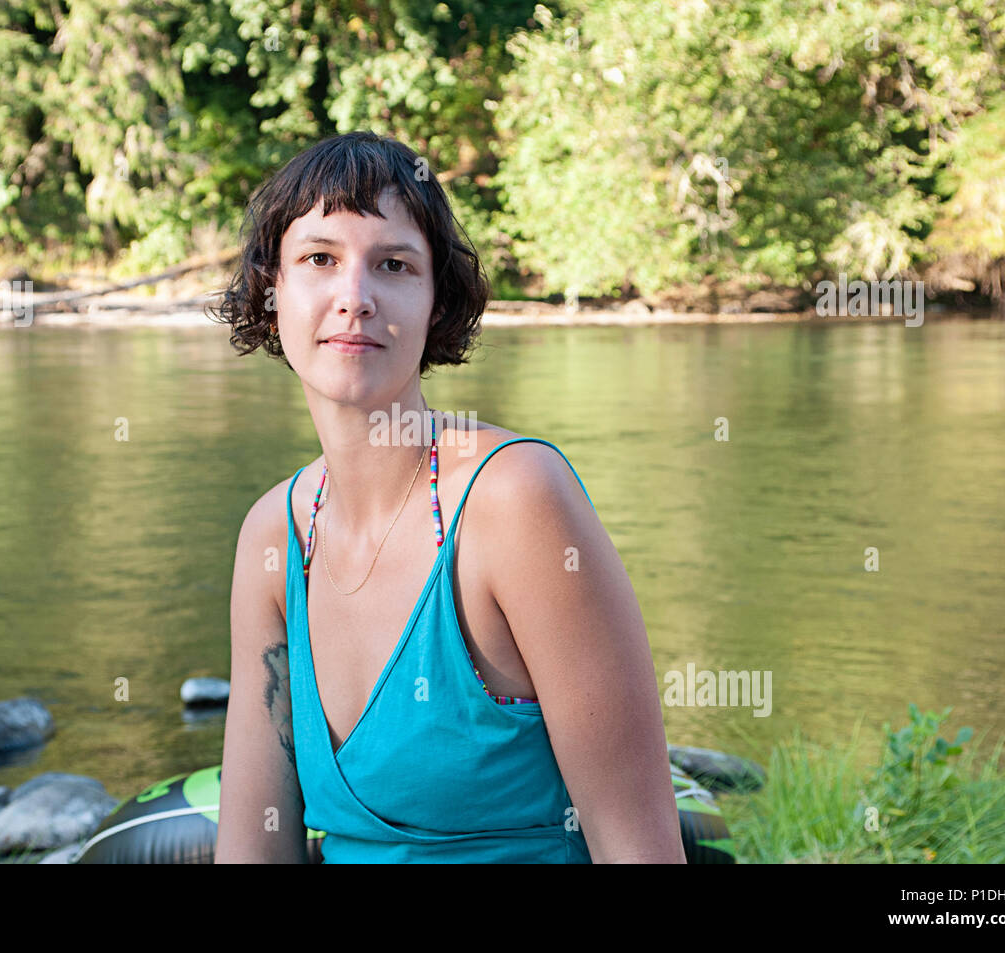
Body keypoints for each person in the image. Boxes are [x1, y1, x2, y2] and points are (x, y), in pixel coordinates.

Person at [210, 131, 684, 863]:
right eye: (319, 259)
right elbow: (251, 850)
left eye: (393, 265)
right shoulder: (273, 534)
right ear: (273, 293)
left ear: (437, 304)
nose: (355, 298)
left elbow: (641, 850)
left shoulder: (514, 500)